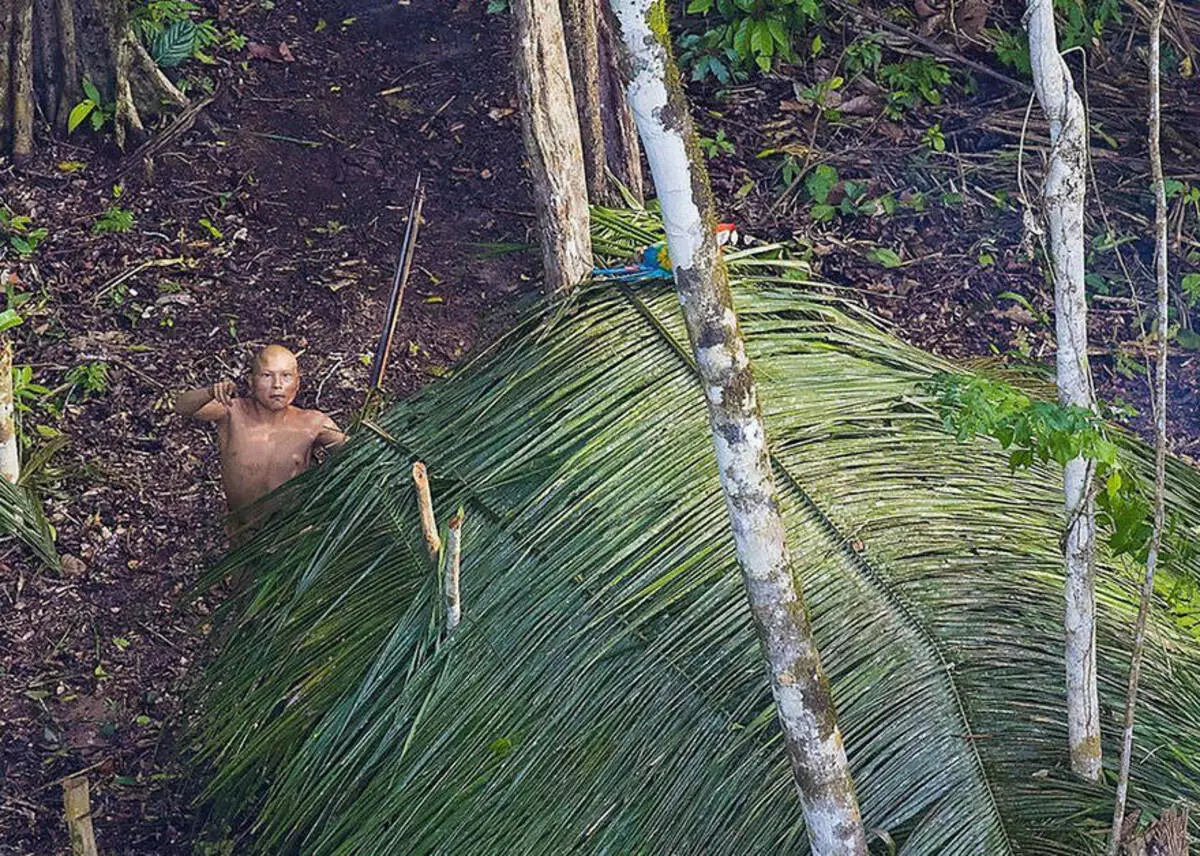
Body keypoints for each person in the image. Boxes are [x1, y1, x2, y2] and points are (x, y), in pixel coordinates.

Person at [176, 344, 347, 537]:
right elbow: (182, 406)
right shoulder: (231, 411)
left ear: (297, 383)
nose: (277, 384)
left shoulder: (314, 423)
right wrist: (210, 392)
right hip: (242, 534)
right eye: (267, 375)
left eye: (286, 376)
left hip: (290, 535)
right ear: (251, 381)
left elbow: (354, 454)